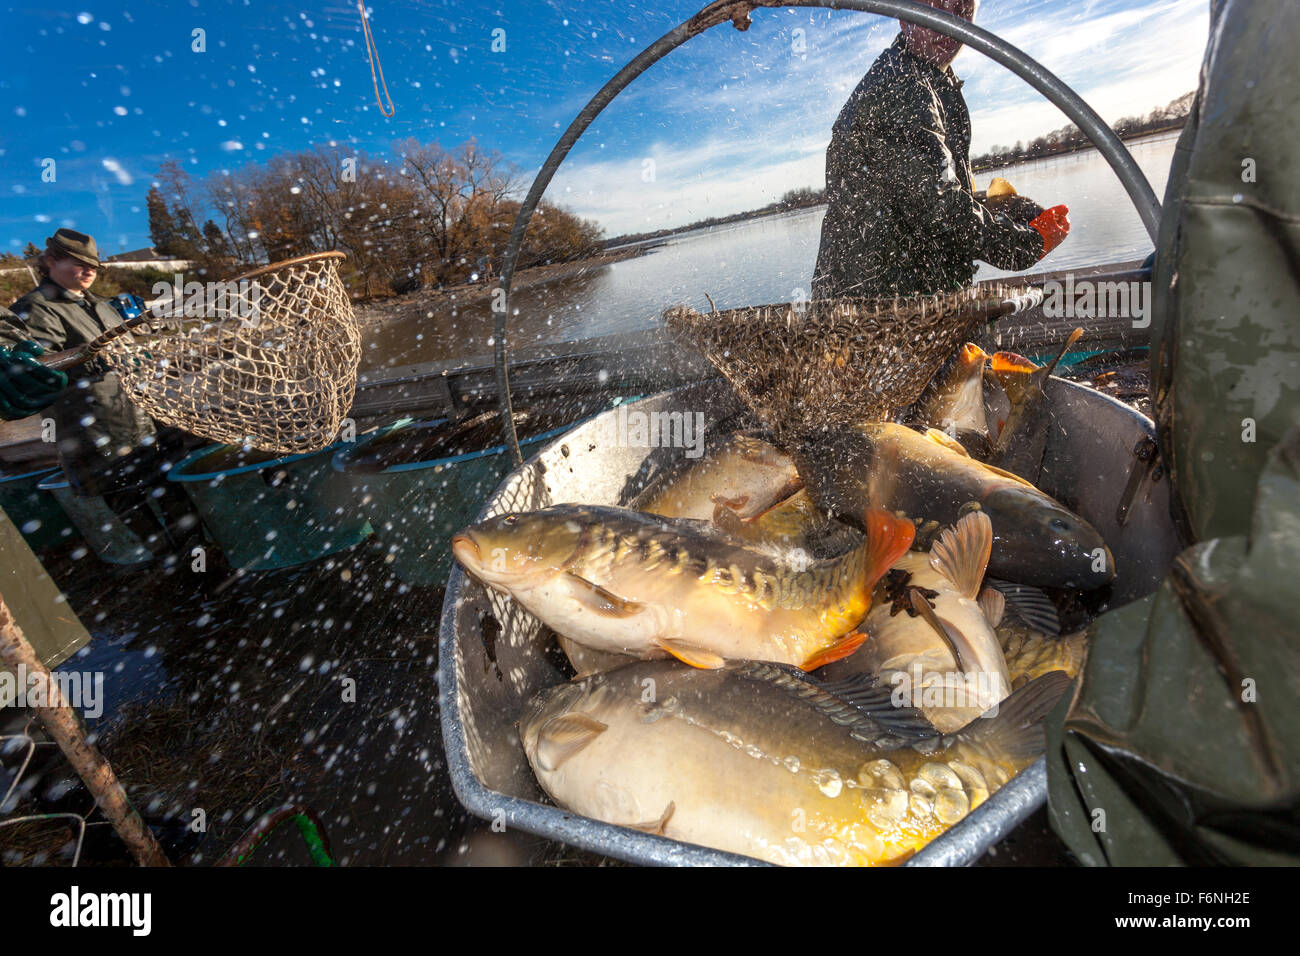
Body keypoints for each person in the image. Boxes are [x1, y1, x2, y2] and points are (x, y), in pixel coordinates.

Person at [811, 0, 1070, 300]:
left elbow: (923, 193)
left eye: (961, 8)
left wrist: (1006, 210)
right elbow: (938, 208)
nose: (947, 20)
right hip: (876, 309)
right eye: (934, 5)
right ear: (903, 17)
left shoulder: (929, 78)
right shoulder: (902, 83)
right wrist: (1026, 245)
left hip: (905, 300)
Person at [1, 229, 193, 552]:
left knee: (174, 497)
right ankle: (169, 567)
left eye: (94, 265)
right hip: (95, 435)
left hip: (141, 421)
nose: (90, 270)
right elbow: (38, 364)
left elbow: (130, 348)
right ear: (51, 262)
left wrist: (138, 356)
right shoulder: (35, 309)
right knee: (134, 509)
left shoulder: (104, 306)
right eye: (78, 262)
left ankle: (197, 560)